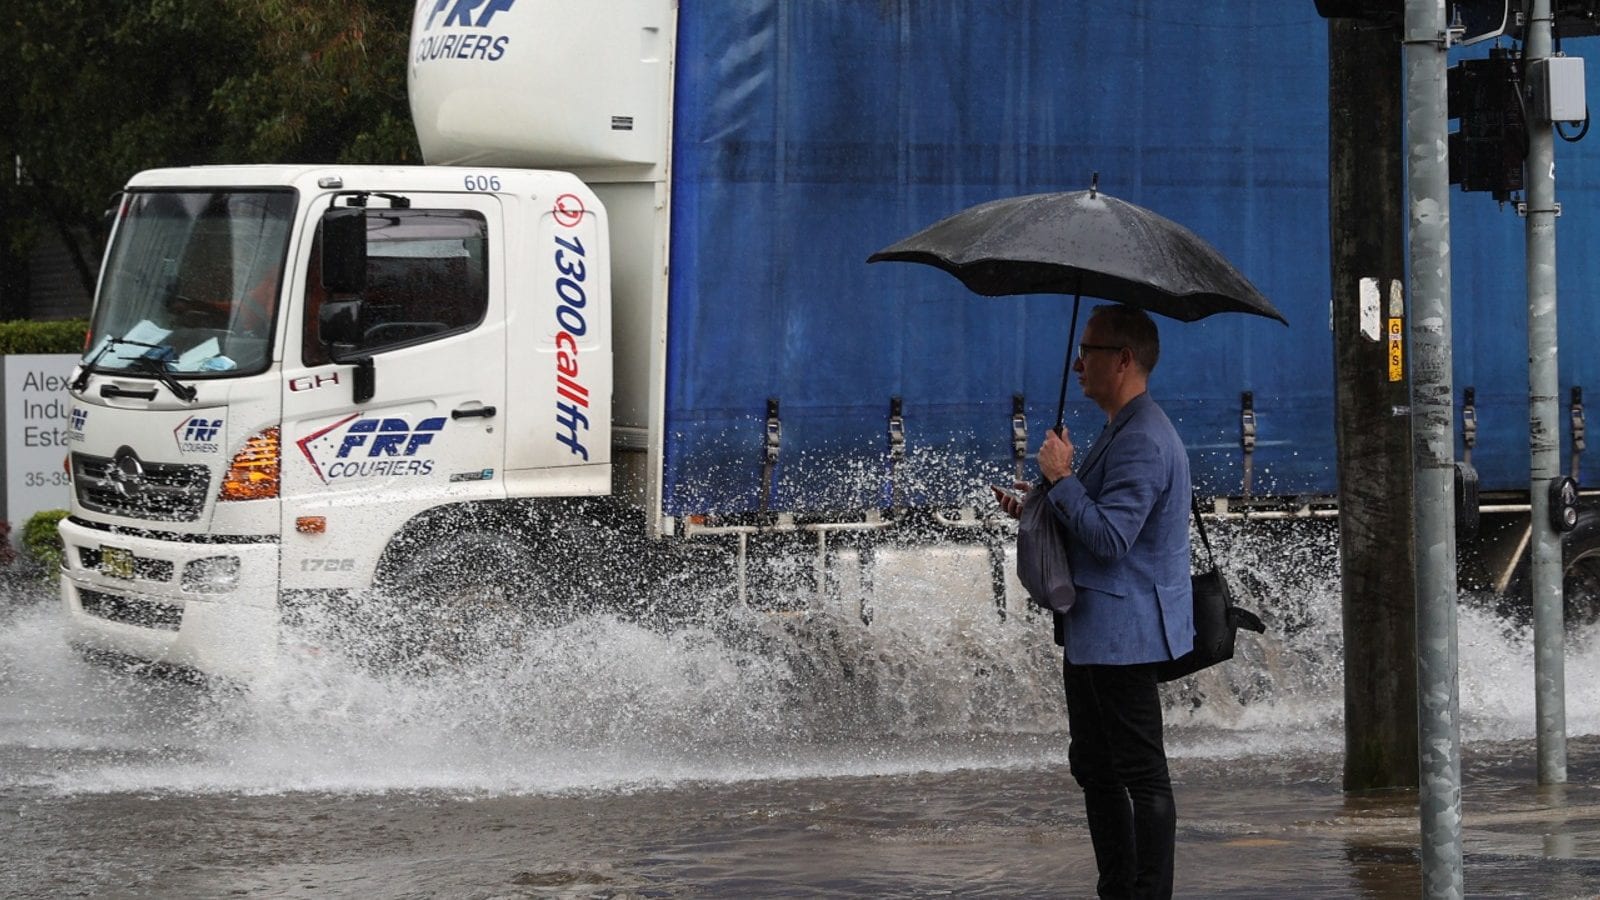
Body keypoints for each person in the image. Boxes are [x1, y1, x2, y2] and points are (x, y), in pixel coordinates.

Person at [994, 303, 1193, 899]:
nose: (1078, 364)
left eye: (1090, 352)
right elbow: (1097, 513)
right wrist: (1042, 499)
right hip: (1096, 631)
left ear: (1124, 360)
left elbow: (1110, 539)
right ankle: (1118, 888)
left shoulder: (1144, 439)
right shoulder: (1122, 426)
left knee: (1140, 775)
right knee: (1096, 770)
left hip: (1124, 634)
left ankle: (1146, 892)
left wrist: (1061, 480)